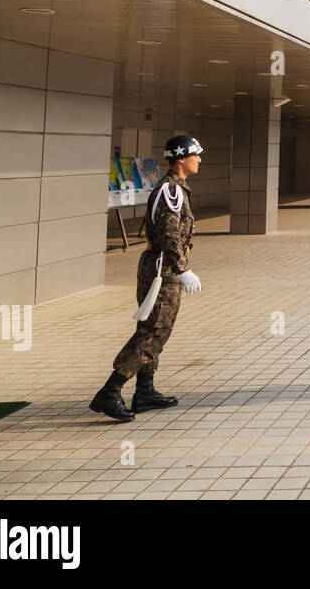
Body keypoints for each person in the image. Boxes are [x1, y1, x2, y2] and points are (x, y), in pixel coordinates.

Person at [89, 135, 205, 421]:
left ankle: (145, 391)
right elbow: (169, 234)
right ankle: (110, 392)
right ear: (181, 159)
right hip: (162, 270)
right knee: (152, 331)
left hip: (164, 267)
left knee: (158, 331)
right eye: (195, 155)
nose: (199, 160)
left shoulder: (177, 188)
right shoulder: (171, 190)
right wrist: (182, 269)